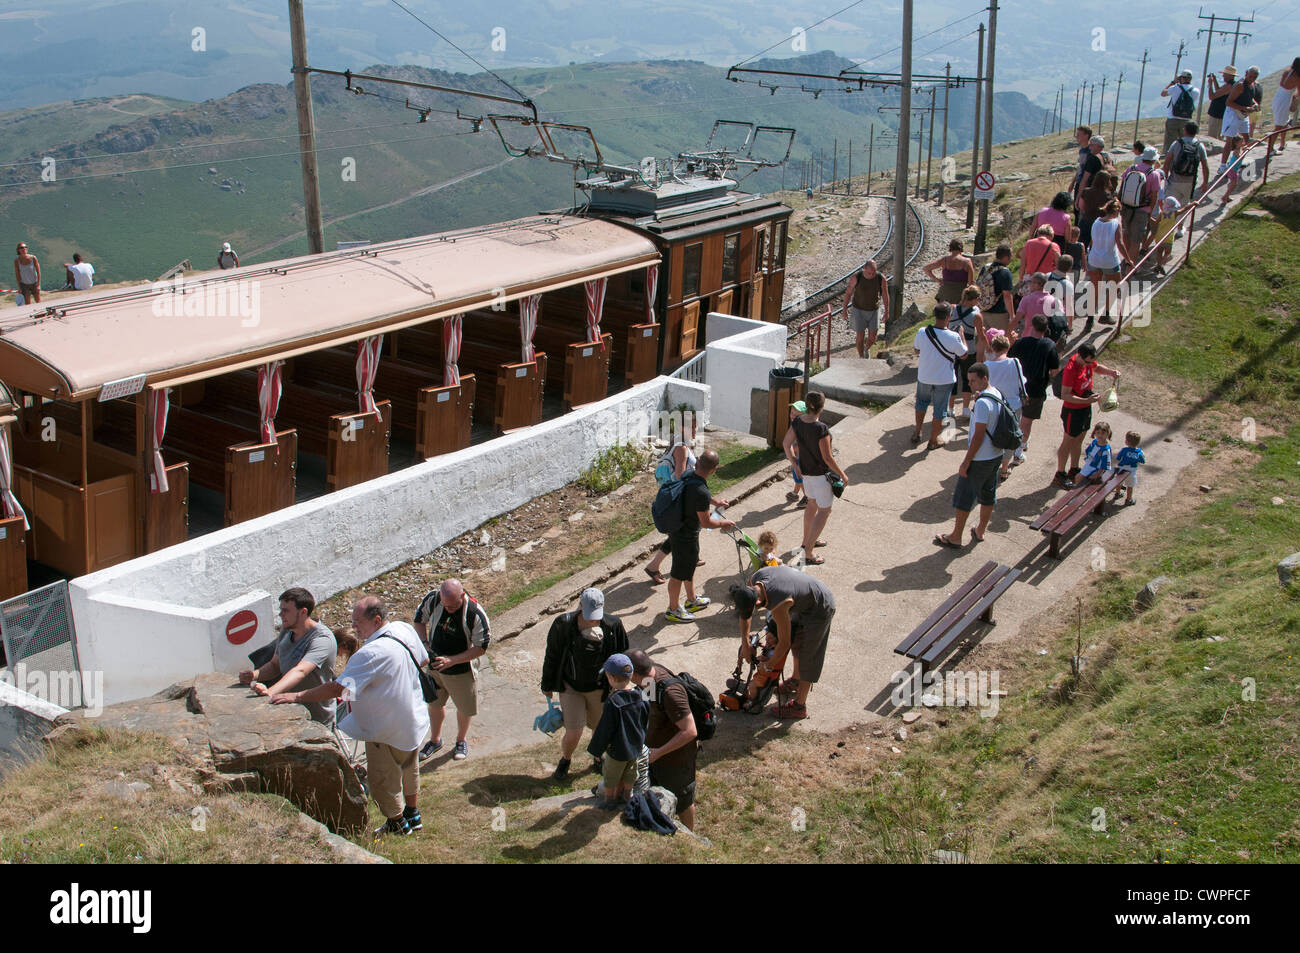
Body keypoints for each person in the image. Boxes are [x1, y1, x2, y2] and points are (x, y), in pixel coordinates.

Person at [272, 596, 429, 837]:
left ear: (376, 620)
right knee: (410, 768)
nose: (354, 627)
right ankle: (413, 814)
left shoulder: (370, 653)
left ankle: (397, 823)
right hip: (413, 718)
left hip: (384, 728)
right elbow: (424, 659)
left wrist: (296, 696)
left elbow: (339, 690)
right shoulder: (403, 629)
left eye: (358, 622)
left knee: (382, 781)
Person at [541, 587, 630, 781]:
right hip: (570, 687)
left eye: (596, 615)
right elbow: (552, 655)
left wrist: (623, 683)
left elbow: (623, 655)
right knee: (574, 732)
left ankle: (597, 757)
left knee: (599, 729)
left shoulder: (613, 625)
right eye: (589, 615)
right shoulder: (563, 624)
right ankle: (566, 759)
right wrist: (547, 685)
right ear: (580, 606)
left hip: (599, 688)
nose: (593, 619)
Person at [729, 565, 835, 720]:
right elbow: (745, 617)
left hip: (820, 606)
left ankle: (799, 706)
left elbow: (784, 643)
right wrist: (746, 645)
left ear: (758, 602)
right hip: (800, 601)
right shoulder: (754, 581)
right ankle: (795, 680)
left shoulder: (779, 603)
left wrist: (768, 665)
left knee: (809, 654)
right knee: (797, 642)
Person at [412, 578, 489, 762]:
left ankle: (461, 740)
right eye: (445, 605)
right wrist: (425, 645)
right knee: (435, 704)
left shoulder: (475, 613)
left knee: (464, 708)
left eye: (452, 606)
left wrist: (452, 661)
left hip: (461, 670)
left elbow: (481, 647)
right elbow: (419, 620)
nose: (448, 609)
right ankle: (435, 740)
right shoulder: (433, 599)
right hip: (435, 667)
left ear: (462, 596)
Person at [239, 587, 338, 724]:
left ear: (303, 612)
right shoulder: (287, 631)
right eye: (281, 610)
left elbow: (301, 671)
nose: (280, 615)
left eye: (285, 611)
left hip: (316, 718)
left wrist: (270, 692)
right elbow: (275, 666)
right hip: (290, 711)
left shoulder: (322, 639)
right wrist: (254, 675)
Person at [934, 362, 1005, 548]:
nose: (971, 384)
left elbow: (979, 436)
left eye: (974, 381)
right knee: (988, 493)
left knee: (964, 497)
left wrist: (966, 461)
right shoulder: (996, 394)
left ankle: (956, 536)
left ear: (985, 379)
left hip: (980, 458)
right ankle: (980, 530)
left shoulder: (982, 404)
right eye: (969, 381)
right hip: (996, 454)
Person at [628, 649, 698, 830]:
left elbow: (690, 731)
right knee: (655, 795)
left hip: (676, 760)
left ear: (634, 674)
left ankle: (690, 837)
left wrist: (657, 753)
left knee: (682, 801)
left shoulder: (670, 692)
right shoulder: (648, 678)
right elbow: (652, 709)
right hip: (655, 755)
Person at [665, 448, 734, 622]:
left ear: (698, 462)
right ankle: (673, 610)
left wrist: (716, 502)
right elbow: (706, 522)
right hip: (685, 536)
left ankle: (691, 600)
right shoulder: (701, 491)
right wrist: (723, 523)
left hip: (680, 530)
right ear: (715, 469)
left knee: (688, 567)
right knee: (677, 574)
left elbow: (701, 496)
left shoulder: (689, 475)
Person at [783, 391, 848, 565]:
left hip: (806, 474)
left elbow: (786, 443)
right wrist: (842, 474)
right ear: (822, 407)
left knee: (812, 504)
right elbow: (827, 458)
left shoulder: (797, 422)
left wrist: (795, 463)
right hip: (820, 476)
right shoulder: (821, 429)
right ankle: (809, 552)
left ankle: (807, 542)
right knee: (825, 511)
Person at [1055, 343, 1121, 489]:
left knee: (1079, 439)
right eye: (1087, 362)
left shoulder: (1088, 363)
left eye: (1091, 361)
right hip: (1073, 411)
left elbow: (1097, 367)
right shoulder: (1071, 370)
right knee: (1068, 441)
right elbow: (1065, 395)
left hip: (1085, 408)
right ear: (1079, 355)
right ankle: (1060, 474)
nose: (1090, 364)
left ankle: (1074, 468)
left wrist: (1111, 372)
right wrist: (1086, 400)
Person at [586, 653, 648, 809]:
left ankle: (609, 800)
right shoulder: (641, 695)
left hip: (617, 749)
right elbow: (646, 717)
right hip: (635, 747)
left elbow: (605, 729)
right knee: (630, 774)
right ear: (631, 674)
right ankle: (627, 796)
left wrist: (597, 750)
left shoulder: (613, 702)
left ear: (611, 678)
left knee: (611, 776)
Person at [645, 410, 698, 584]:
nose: (697, 429)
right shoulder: (681, 448)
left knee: (685, 531)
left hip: (671, 496)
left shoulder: (677, 440)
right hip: (678, 499)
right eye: (694, 426)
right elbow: (680, 477)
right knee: (681, 533)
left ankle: (694, 556)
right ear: (684, 427)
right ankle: (654, 566)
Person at [975, 320, 1027, 479]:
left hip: (994, 405)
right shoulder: (1014, 362)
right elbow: (1022, 382)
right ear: (1007, 347)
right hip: (1013, 405)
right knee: (1011, 435)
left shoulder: (987, 366)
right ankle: (1004, 468)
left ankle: (991, 465)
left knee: (992, 436)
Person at [912, 303, 967, 446]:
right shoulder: (954, 336)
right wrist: (961, 335)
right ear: (949, 317)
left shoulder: (922, 332)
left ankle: (918, 431)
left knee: (921, 403)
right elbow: (964, 354)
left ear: (934, 315)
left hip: (924, 376)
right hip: (944, 379)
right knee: (940, 409)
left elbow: (916, 350)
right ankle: (933, 440)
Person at [1008, 313, 1060, 462]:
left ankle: (1009, 446)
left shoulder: (1020, 342)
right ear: (1046, 328)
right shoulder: (1050, 345)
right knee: (1026, 421)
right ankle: (1019, 451)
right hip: (1036, 389)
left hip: (1017, 387)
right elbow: (1054, 370)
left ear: (1031, 326)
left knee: (1014, 417)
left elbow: (1010, 359)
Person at [1085, 199, 1130, 328]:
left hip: (1094, 258)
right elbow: (1120, 243)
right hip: (1110, 260)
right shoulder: (1115, 224)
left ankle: (1090, 317)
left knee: (1094, 288)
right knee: (1114, 287)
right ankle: (1106, 314)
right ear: (1117, 211)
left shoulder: (1096, 222)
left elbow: (1092, 241)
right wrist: (1128, 259)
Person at [1118, 146, 1162, 257]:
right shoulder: (1154, 174)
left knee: (1126, 235)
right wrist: (1150, 212)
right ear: (1154, 160)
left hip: (1126, 206)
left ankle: (1126, 258)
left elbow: (1122, 187)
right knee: (1136, 240)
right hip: (1142, 210)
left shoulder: (1131, 169)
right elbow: (1154, 195)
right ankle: (1130, 265)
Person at [842, 259, 890, 357]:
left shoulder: (881, 278)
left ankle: (866, 348)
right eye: (869, 273)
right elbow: (848, 293)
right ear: (864, 269)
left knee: (873, 337)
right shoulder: (856, 277)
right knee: (860, 336)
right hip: (858, 309)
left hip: (874, 309)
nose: (871, 275)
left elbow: (885, 295)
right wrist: (844, 310)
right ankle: (861, 356)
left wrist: (887, 311)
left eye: (873, 273)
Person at [949, 286, 981, 417]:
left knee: (953, 378)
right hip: (969, 349)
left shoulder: (952, 308)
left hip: (952, 348)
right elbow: (981, 334)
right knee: (968, 379)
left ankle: (950, 409)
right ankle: (966, 409)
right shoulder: (976, 313)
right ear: (975, 299)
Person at [1163, 122, 1210, 206]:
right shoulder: (1200, 146)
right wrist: (1205, 183)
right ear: (1196, 132)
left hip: (1174, 180)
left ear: (1185, 130)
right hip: (1190, 182)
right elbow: (1205, 166)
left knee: (1169, 207)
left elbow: (1166, 164)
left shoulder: (1177, 143)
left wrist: (1165, 179)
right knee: (1184, 207)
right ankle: (1181, 219)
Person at [923, 240, 975, 306]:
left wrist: (938, 280)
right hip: (960, 294)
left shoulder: (944, 260)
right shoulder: (967, 262)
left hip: (945, 294)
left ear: (950, 248)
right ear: (961, 248)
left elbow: (926, 268)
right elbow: (971, 282)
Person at [1161, 70, 1200, 151]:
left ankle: (1167, 157)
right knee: (1185, 143)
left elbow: (1163, 93)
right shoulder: (1196, 91)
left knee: (1169, 142)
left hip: (1173, 118)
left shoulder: (1175, 88)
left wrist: (1173, 82)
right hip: (1186, 120)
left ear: (1181, 78)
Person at [979, 244, 1015, 331]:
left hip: (983, 310)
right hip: (999, 313)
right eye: (1011, 255)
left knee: (984, 340)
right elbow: (1007, 295)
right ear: (1006, 257)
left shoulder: (986, 268)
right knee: (999, 341)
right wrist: (1012, 315)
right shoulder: (1005, 272)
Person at [1078, 169, 1116, 250]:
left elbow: (1081, 206)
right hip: (1100, 224)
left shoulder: (1086, 191)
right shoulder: (1107, 196)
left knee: (1082, 245)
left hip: (1086, 220)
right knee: (1096, 247)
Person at [1013, 272, 1059, 339]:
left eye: (1030, 282)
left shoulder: (1026, 299)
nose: (1029, 284)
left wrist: (1008, 333)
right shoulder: (1054, 300)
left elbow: (1016, 319)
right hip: (1046, 339)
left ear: (1038, 284)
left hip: (1028, 338)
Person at [1223, 66, 1262, 142]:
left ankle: (1240, 153)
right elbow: (1228, 102)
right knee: (1229, 141)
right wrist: (1245, 108)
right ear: (1246, 73)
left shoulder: (1252, 84)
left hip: (1243, 114)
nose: (1252, 79)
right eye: (1250, 76)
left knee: (1246, 138)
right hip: (1233, 114)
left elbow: (1249, 97)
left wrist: (1255, 104)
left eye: (1254, 77)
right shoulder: (1240, 85)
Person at [1271, 58, 1300, 152]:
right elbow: (1299, 93)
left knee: (1284, 122)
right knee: (1278, 126)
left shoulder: (1287, 71)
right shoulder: (1297, 77)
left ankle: (1282, 143)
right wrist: (1294, 97)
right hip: (1285, 99)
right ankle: (1270, 148)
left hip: (1279, 95)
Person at [1044, 255, 1076, 337]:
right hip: (1057, 318)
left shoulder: (1047, 276)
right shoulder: (1067, 284)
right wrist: (1070, 327)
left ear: (1057, 264)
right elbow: (1069, 307)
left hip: (1043, 313)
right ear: (1070, 268)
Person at [783, 401, 808, 506]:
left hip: (801, 460)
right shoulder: (796, 424)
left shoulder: (803, 428)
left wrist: (793, 448)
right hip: (796, 458)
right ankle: (795, 493)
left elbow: (802, 445)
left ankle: (807, 497)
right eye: (791, 412)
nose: (792, 416)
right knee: (797, 477)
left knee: (800, 478)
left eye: (796, 414)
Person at [1150, 196, 1182, 276]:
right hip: (1168, 236)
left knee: (1159, 252)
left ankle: (1158, 265)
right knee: (1167, 253)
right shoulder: (1175, 213)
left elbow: (1156, 222)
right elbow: (1184, 209)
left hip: (1159, 236)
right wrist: (1192, 204)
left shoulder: (1162, 213)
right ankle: (1161, 265)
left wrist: (1149, 217)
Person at [1113, 431, 1146, 505]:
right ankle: (1128, 499)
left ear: (1127, 442)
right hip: (1131, 471)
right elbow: (1143, 461)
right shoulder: (1139, 452)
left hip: (1122, 469)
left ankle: (1117, 494)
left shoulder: (1124, 450)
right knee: (1130, 486)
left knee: (1119, 483)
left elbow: (1118, 458)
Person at [1206, 65, 1236, 141]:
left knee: (1213, 136)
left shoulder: (1229, 86)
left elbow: (1212, 96)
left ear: (1230, 76)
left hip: (1218, 115)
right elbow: (1219, 91)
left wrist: (1210, 85)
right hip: (1219, 114)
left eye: (1225, 75)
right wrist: (1215, 81)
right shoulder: (1230, 85)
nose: (1223, 76)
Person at [1071, 126, 1098, 207]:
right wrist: (1073, 183)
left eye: (1078, 134)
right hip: (1079, 183)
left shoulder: (1090, 152)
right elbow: (1080, 167)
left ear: (1086, 136)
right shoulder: (1082, 150)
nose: (1076, 136)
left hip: (1086, 185)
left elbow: (1087, 173)